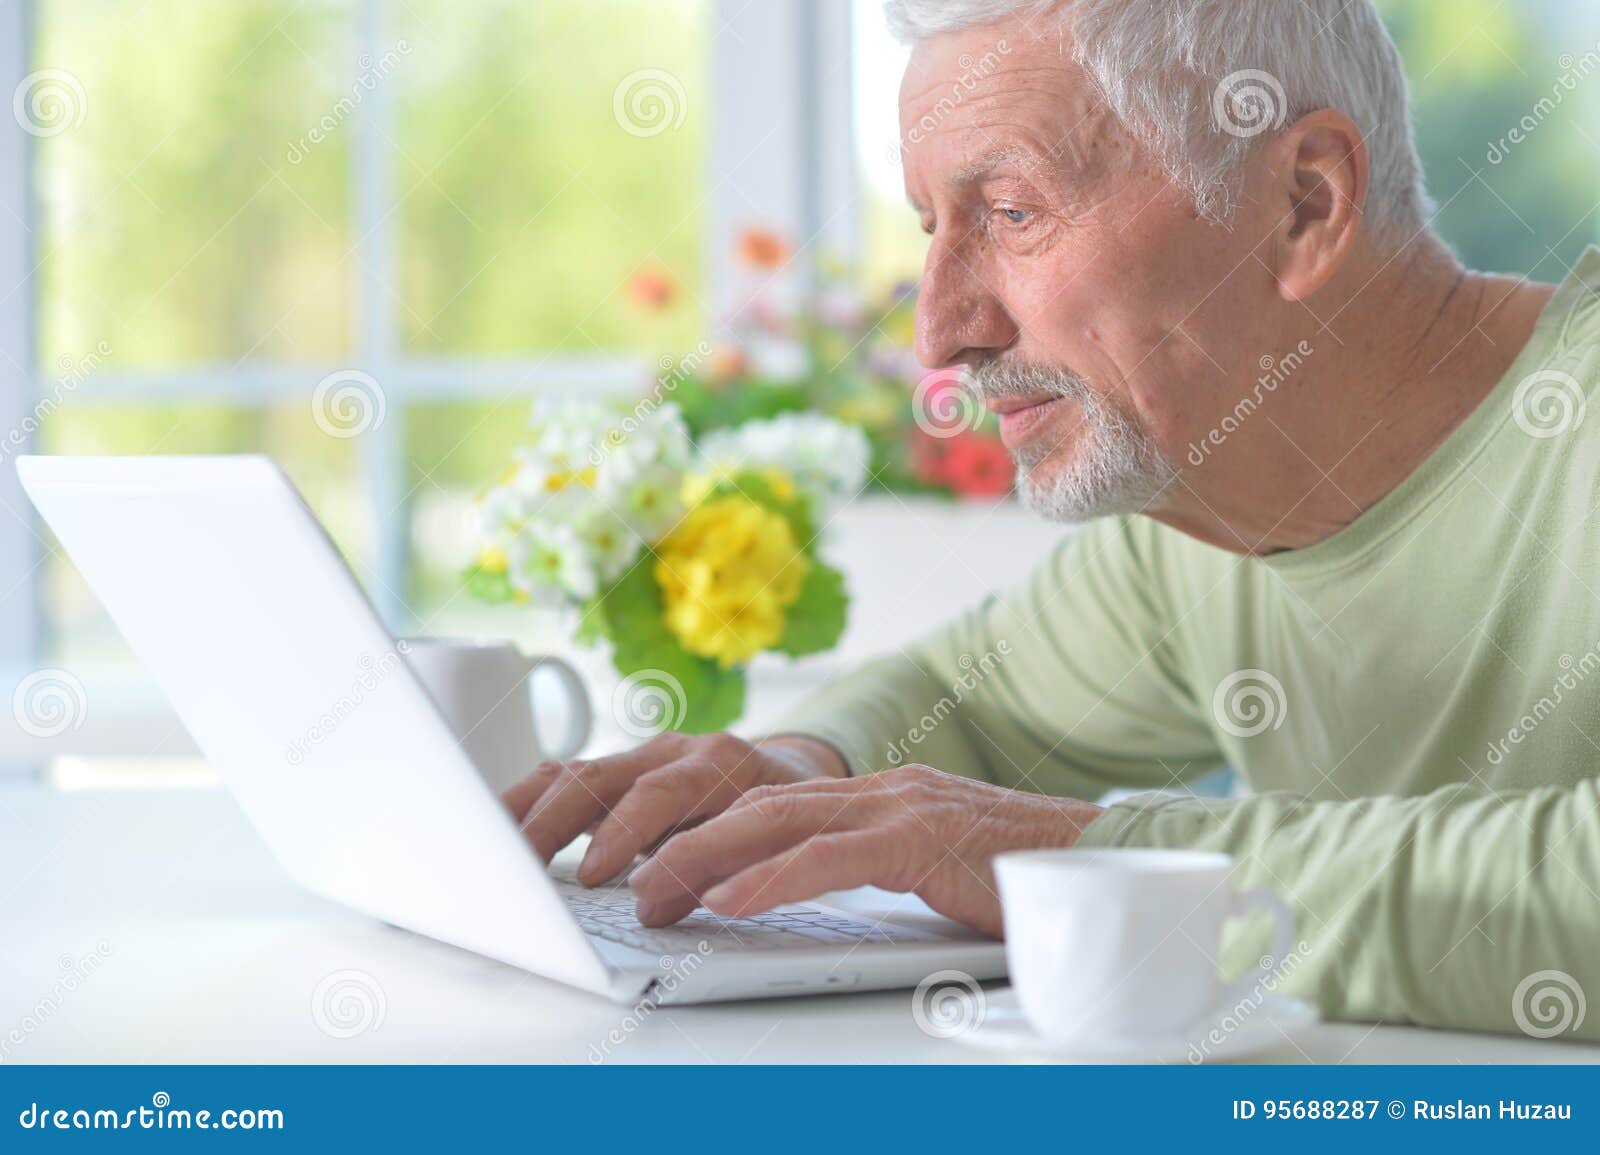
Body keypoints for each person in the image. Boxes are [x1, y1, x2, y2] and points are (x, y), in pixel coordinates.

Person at [505, 0, 1600, 1040]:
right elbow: (962, 703)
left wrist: (1098, 861)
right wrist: (792, 773)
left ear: (1302, 204)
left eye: (1014, 214)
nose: (939, 332)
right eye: (933, 228)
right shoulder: (1200, 517)